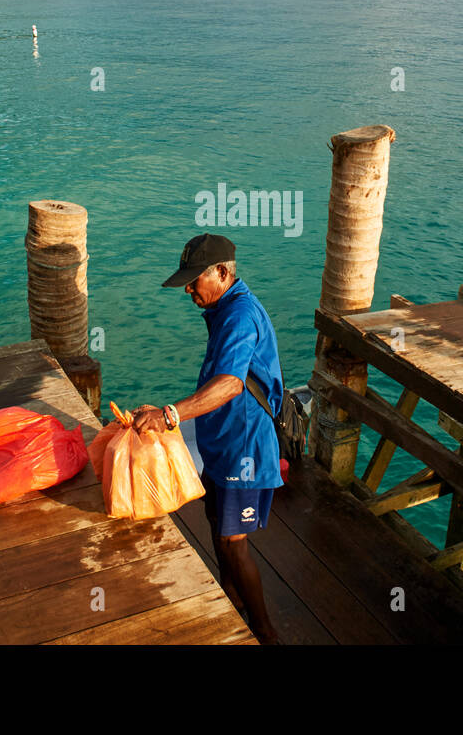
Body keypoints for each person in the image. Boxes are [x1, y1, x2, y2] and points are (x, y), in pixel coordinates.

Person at [132, 233, 284, 644]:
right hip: (221, 439)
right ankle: (230, 609)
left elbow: (232, 384)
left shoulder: (238, 316)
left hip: (244, 445)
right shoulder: (222, 308)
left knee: (234, 542)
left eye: (193, 279)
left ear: (222, 272)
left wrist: (170, 415)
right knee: (217, 524)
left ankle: (266, 632)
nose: (187, 288)